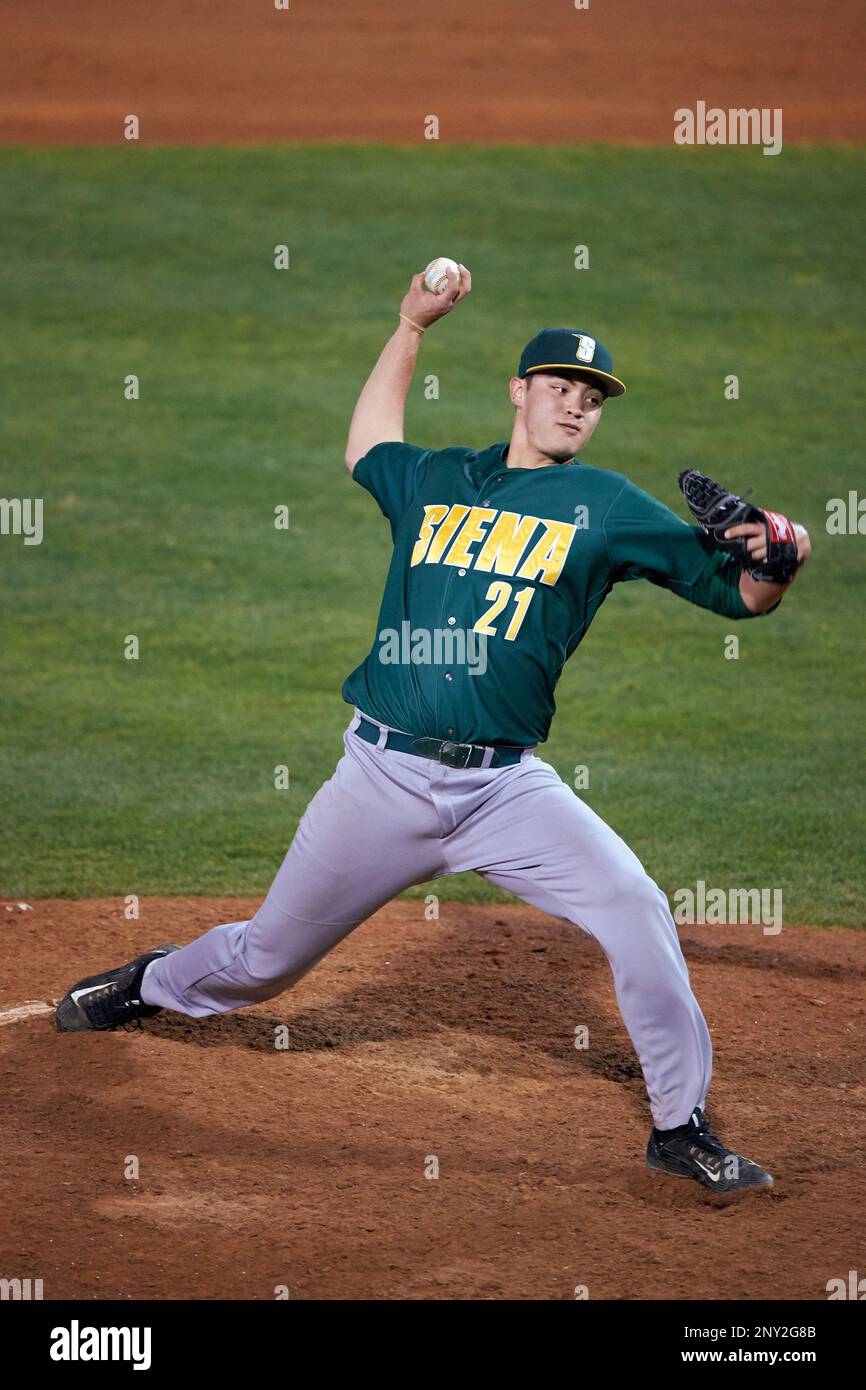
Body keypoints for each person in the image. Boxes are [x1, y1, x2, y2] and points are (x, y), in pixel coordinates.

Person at [56, 266, 811, 1194]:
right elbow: (366, 443)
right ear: (520, 391)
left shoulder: (607, 507)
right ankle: (152, 982)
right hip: (382, 781)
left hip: (506, 791)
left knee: (635, 906)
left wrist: (782, 555)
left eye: (592, 397)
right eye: (560, 387)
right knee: (264, 963)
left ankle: (679, 1125)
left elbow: (740, 595)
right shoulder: (441, 477)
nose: (575, 406)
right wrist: (410, 325)